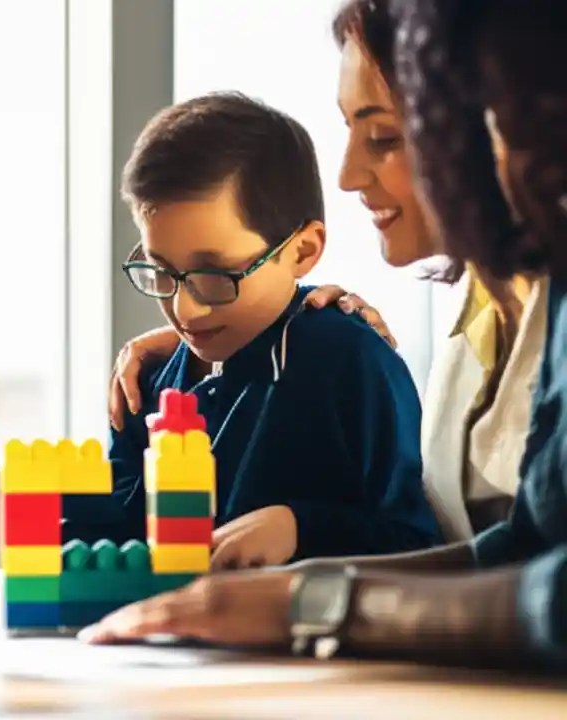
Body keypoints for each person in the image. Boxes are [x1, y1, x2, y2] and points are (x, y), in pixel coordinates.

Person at [81, 0, 567, 671]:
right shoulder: (498, 306)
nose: (345, 176)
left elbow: (521, 572)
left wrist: (312, 595)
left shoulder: (346, 354)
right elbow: (519, 548)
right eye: (165, 276)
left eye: (387, 137)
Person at [64, 92, 439, 569]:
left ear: (302, 251)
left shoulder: (349, 361)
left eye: (214, 275)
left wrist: (300, 528)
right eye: (161, 273)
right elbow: (126, 531)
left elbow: (415, 544)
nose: (184, 310)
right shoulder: (151, 378)